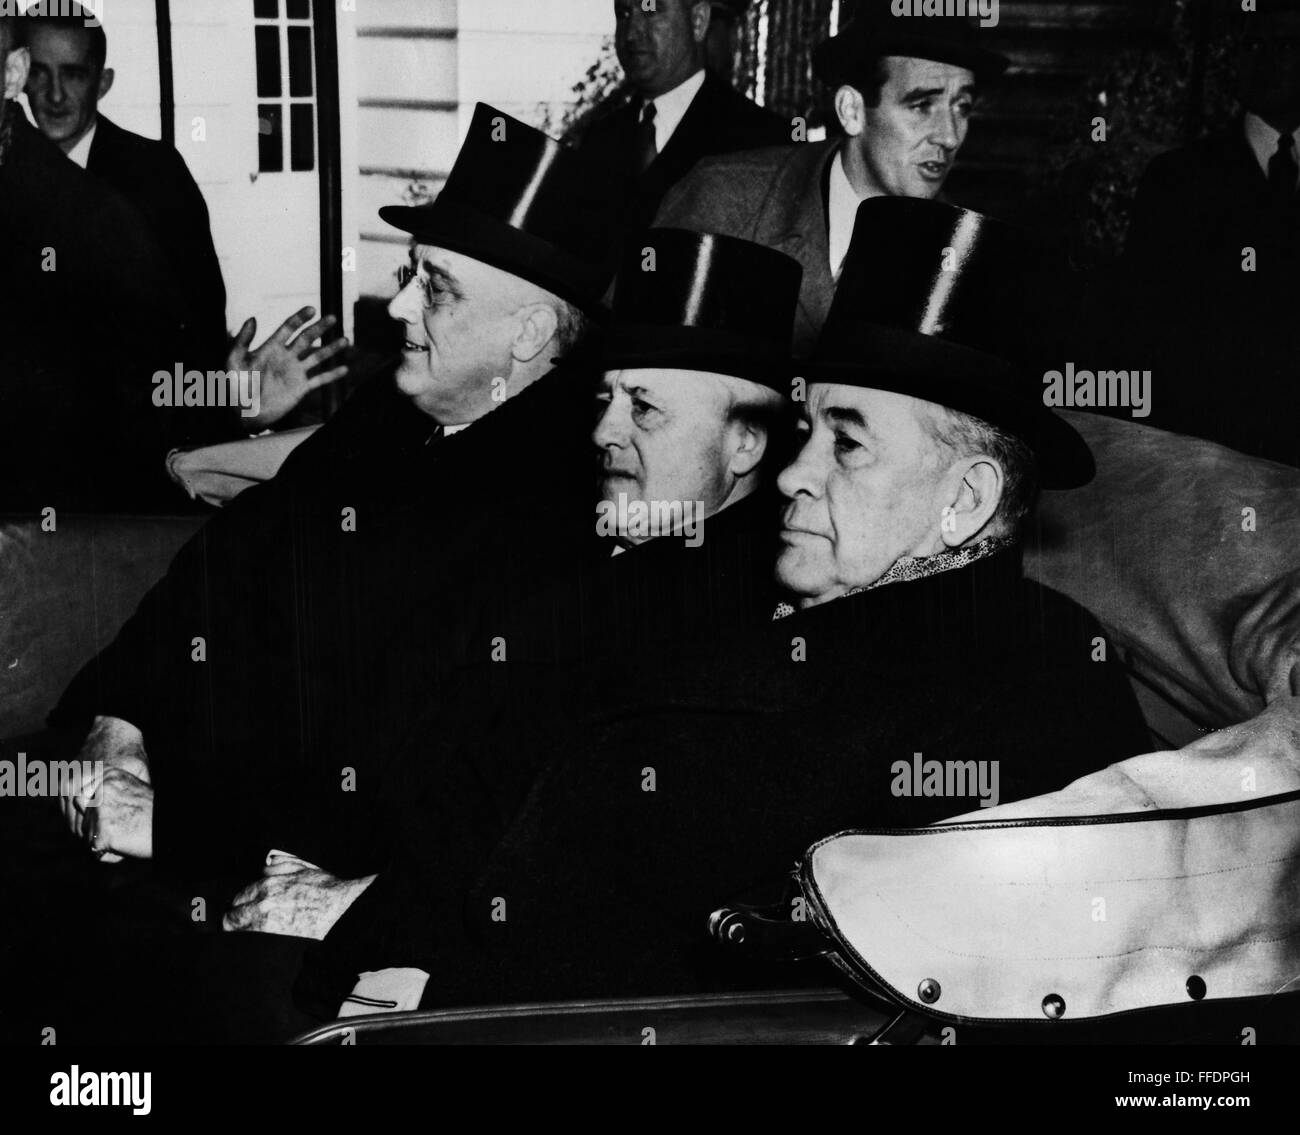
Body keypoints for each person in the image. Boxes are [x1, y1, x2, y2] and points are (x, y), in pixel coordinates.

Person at [295, 197, 1152, 1017]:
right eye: (806, 429)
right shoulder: (868, 622)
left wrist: (373, 962)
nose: (790, 473)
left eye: (846, 442)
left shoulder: (993, 690)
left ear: (966, 499)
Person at [656, 10, 1007, 353]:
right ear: (851, 111)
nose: (948, 136)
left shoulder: (965, 257)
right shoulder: (723, 198)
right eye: (922, 105)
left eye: (961, 107)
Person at [1113, 0, 1300, 466]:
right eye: (1252, 44)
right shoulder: (1177, 180)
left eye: (1286, 45)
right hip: (1207, 457)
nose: (1266, 59)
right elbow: (1141, 331)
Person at [576, 0, 790, 231]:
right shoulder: (599, 140)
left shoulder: (763, 139)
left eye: (651, 10)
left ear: (698, 21)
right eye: (624, 13)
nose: (631, 33)